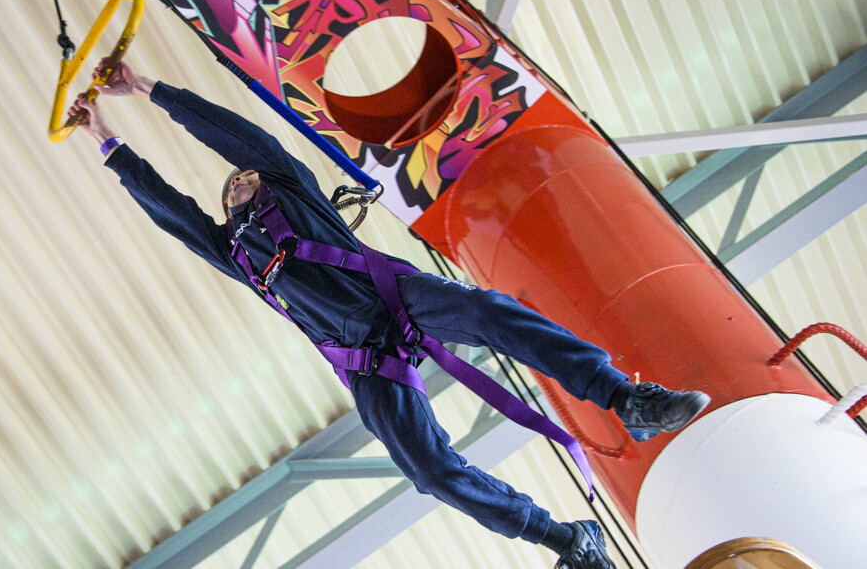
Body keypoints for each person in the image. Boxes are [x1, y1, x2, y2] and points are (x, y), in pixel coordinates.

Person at [69, 60, 711, 569]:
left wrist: (146, 88)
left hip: (394, 298)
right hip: (363, 363)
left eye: (245, 177)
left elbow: (235, 135)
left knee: (491, 314)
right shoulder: (236, 253)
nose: (238, 181)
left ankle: (624, 398)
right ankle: (563, 538)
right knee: (428, 470)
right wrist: (104, 139)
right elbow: (174, 213)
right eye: (232, 188)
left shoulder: (290, 188)